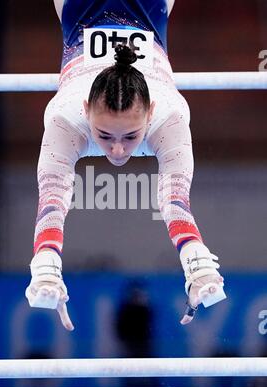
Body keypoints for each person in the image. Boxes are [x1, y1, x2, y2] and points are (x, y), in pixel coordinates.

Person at [25, 0, 226, 330]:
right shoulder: (66, 117)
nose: (117, 150)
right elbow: (52, 202)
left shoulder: (168, 117)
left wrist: (199, 266)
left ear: (151, 112)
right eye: (104, 135)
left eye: (131, 136)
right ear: (86, 108)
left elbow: (175, 201)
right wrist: (45, 267)